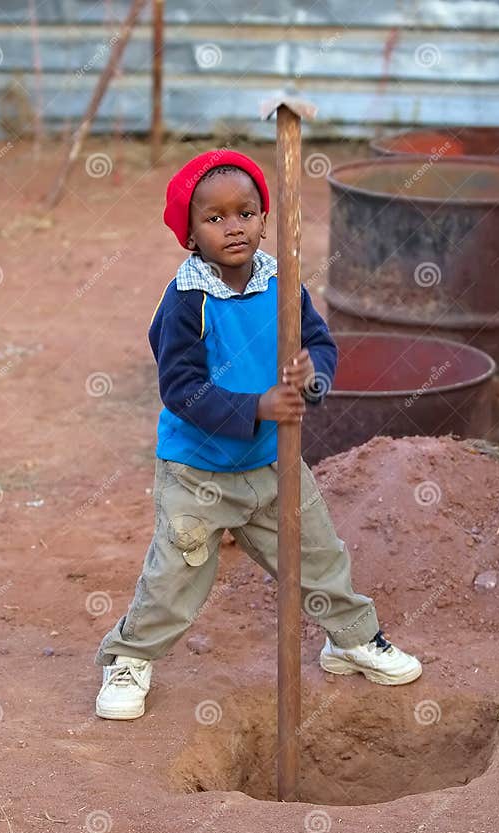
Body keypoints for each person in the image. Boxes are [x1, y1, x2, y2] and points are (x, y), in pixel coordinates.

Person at [94, 149, 422, 720]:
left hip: (273, 460)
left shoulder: (283, 285)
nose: (234, 227)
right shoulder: (186, 301)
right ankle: (130, 657)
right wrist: (257, 406)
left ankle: (351, 639)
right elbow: (181, 388)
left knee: (316, 554)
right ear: (189, 234)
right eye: (214, 218)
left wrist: (312, 377)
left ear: (264, 219)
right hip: (198, 472)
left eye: (245, 213)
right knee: (177, 574)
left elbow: (317, 343)